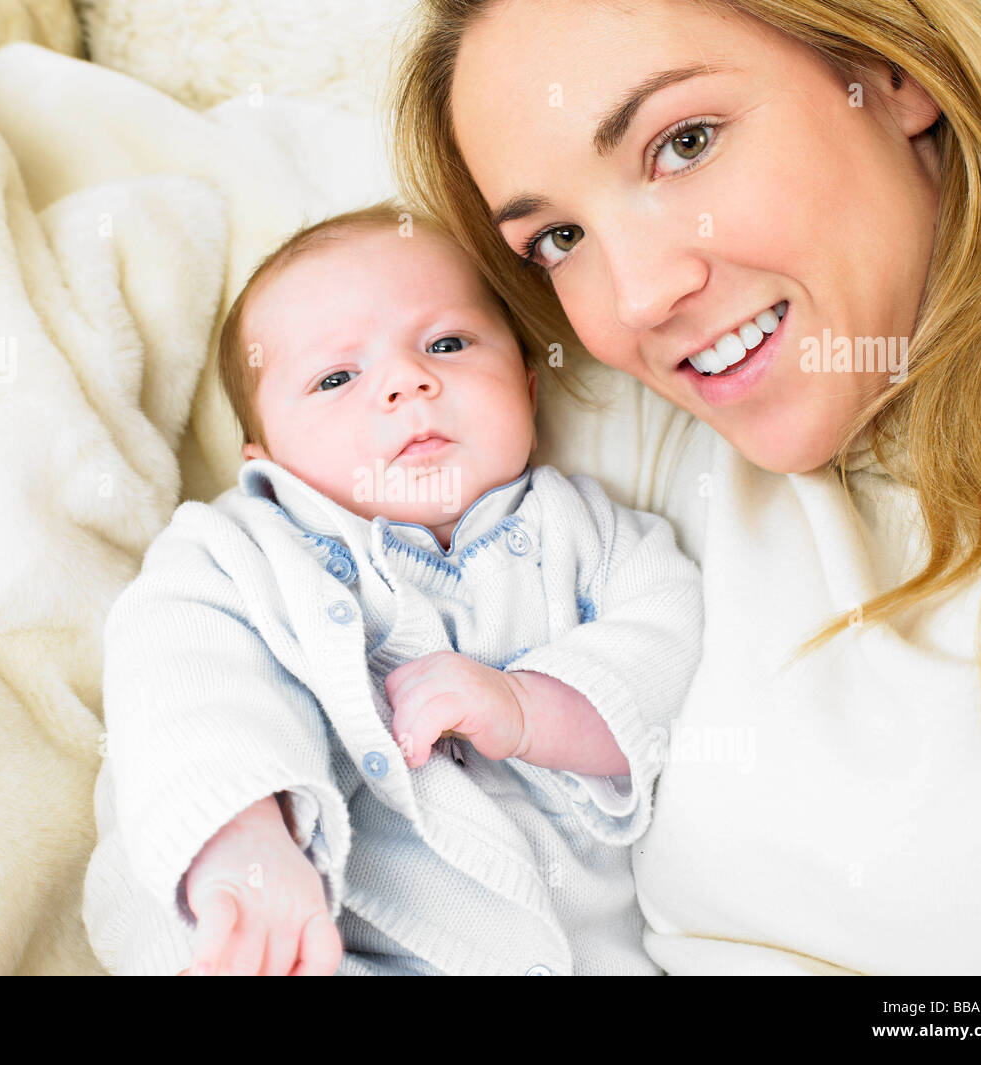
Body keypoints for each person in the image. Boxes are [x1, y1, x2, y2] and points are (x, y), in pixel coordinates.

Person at [390, 0, 981, 974]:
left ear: (894, 68)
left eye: (684, 143)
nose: (634, 301)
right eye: (559, 238)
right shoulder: (623, 429)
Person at [81, 202, 704, 975]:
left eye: (447, 343)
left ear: (528, 386)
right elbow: (181, 677)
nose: (409, 381)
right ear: (264, 455)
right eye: (336, 377)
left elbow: (667, 650)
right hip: (323, 927)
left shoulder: (590, 535)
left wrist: (527, 705)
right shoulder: (239, 551)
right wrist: (244, 831)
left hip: (577, 948)